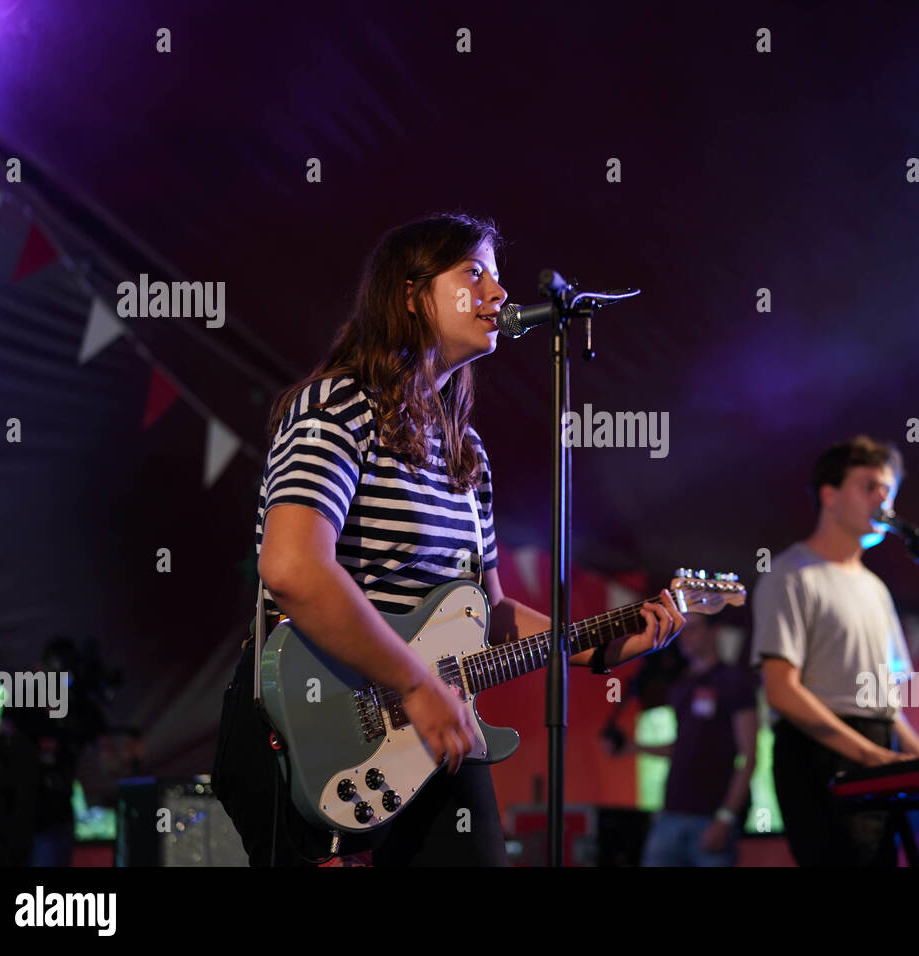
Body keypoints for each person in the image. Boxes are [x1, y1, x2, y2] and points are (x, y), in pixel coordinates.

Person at [212, 212, 685, 866]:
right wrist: (412, 682)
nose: (497, 294)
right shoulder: (337, 404)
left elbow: (483, 615)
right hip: (315, 720)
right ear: (410, 294)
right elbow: (294, 566)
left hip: (433, 723)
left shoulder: (466, 453)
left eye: (498, 277)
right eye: (475, 273)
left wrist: (600, 644)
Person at [750, 436, 919, 867]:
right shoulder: (790, 575)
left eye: (889, 490)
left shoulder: (876, 589)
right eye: (869, 486)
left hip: (875, 750)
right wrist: (871, 755)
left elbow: (887, 708)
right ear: (829, 494)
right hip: (817, 753)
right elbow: (780, 690)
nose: (883, 500)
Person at [611, 614, 758, 867]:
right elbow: (683, 747)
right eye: (682, 631)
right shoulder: (680, 686)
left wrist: (725, 817)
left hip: (711, 817)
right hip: (671, 814)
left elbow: (748, 755)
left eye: (693, 629)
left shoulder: (734, 681)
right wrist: (634, 748)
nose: (685, 638)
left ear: (714, 631)